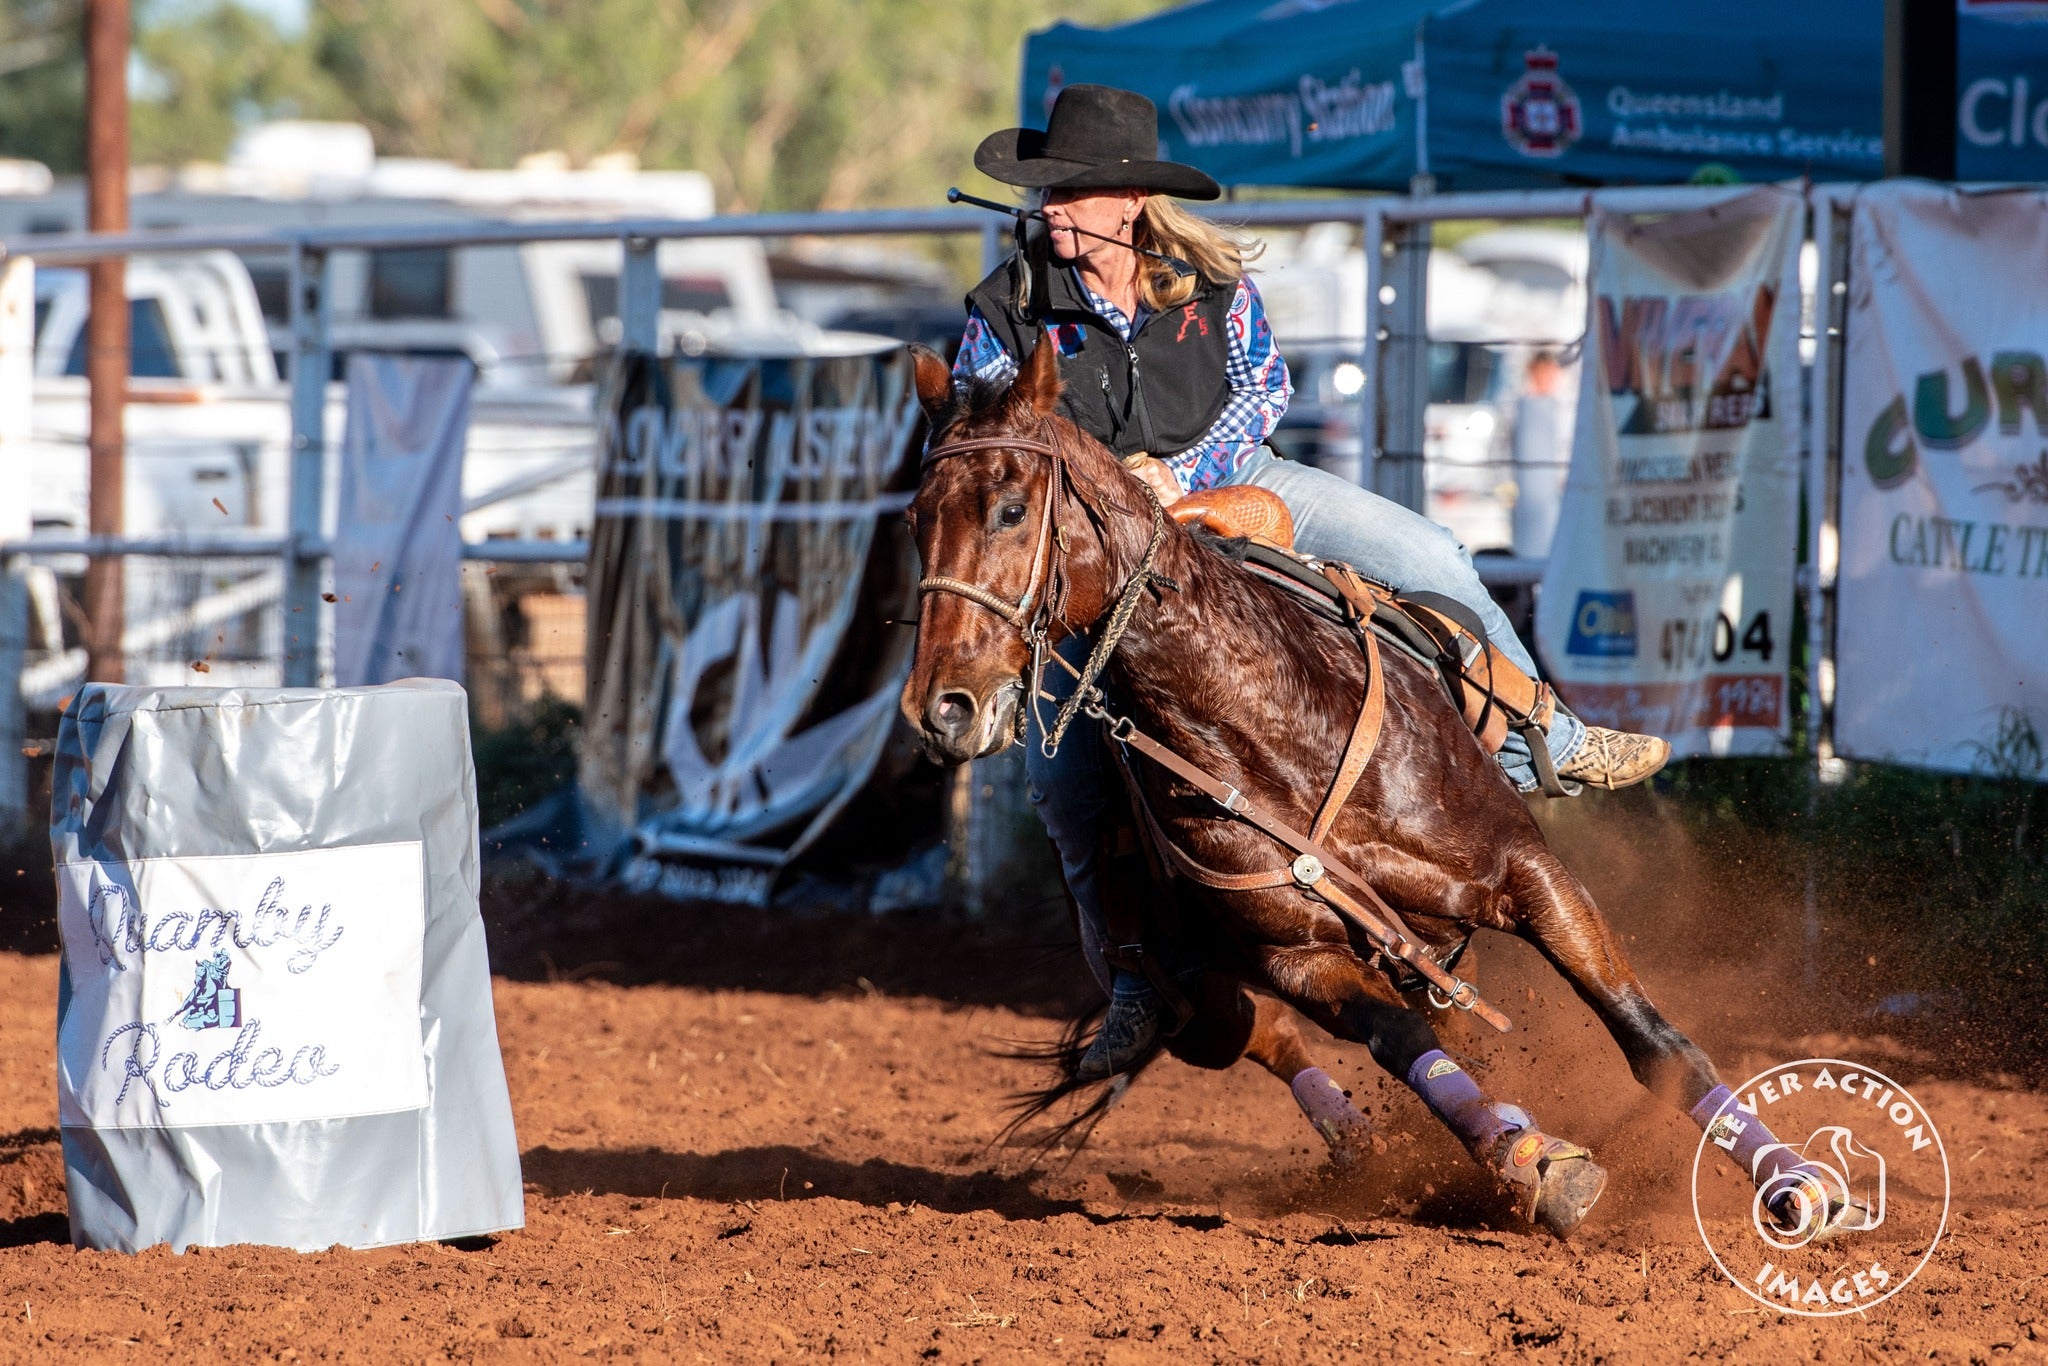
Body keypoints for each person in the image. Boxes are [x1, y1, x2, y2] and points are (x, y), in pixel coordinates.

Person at [953, 84, 1669, 1080]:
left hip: (1240, 482)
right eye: (1046, 195)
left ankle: (1547, 733)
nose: (1048, 211)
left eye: (1066, 193)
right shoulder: (1005, 310)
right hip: (1091, 546)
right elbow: (987, 434)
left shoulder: (1199, 279)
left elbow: (1262, 387)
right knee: (1062, 779)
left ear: (1124, 201)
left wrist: (1186, 474)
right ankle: (1129, 973)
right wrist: (1115, 492)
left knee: (1428, 556)